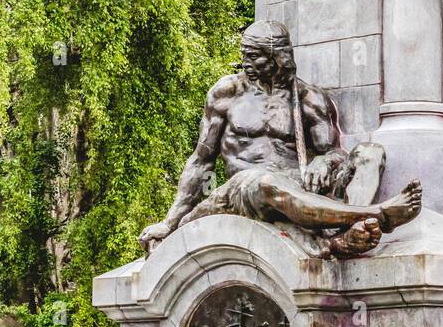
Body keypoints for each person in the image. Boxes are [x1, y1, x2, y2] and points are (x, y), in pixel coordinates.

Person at [140, 20, 421, 259]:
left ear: (278, 59)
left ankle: (345, 237)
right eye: (244, 55)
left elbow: (335, 153)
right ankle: (374, 215)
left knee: (369, 152)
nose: (245, 63)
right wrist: (170, 222)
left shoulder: (308, 99)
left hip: (297, 186)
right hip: (247, 189)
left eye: (253, 56)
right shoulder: (227, 93)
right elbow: (201, 162)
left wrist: (323, 161)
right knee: (267, 182)